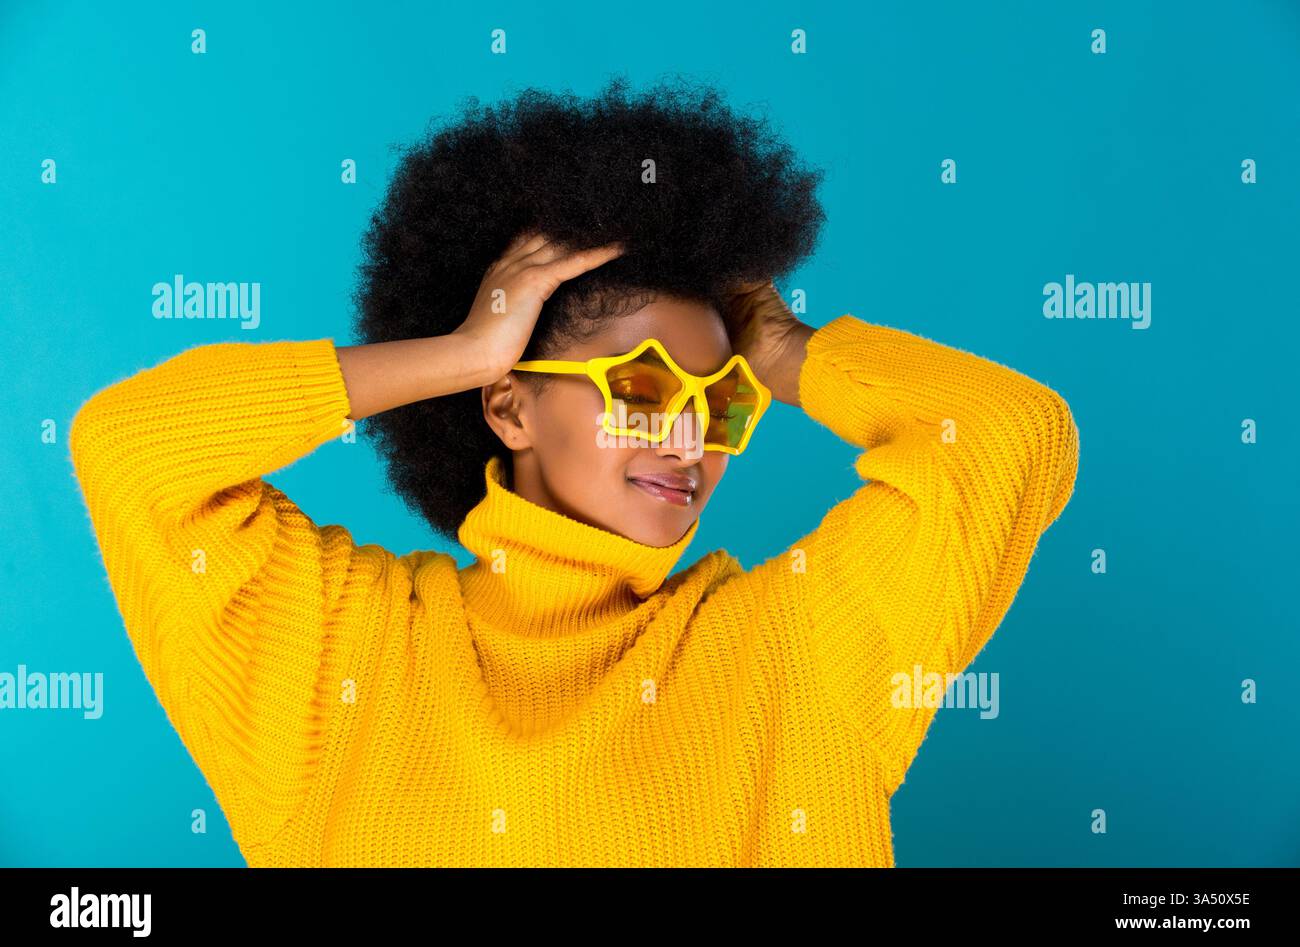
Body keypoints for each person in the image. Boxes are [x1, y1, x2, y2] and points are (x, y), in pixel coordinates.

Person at [69, 77, 1079, 866]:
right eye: (642, 389)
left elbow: (1005, 436)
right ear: (511, 406)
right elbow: (130, 446)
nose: (692, 444)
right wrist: (461, 353)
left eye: (722, 403)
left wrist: (778, 346)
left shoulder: (796, 652)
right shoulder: (338, 653)